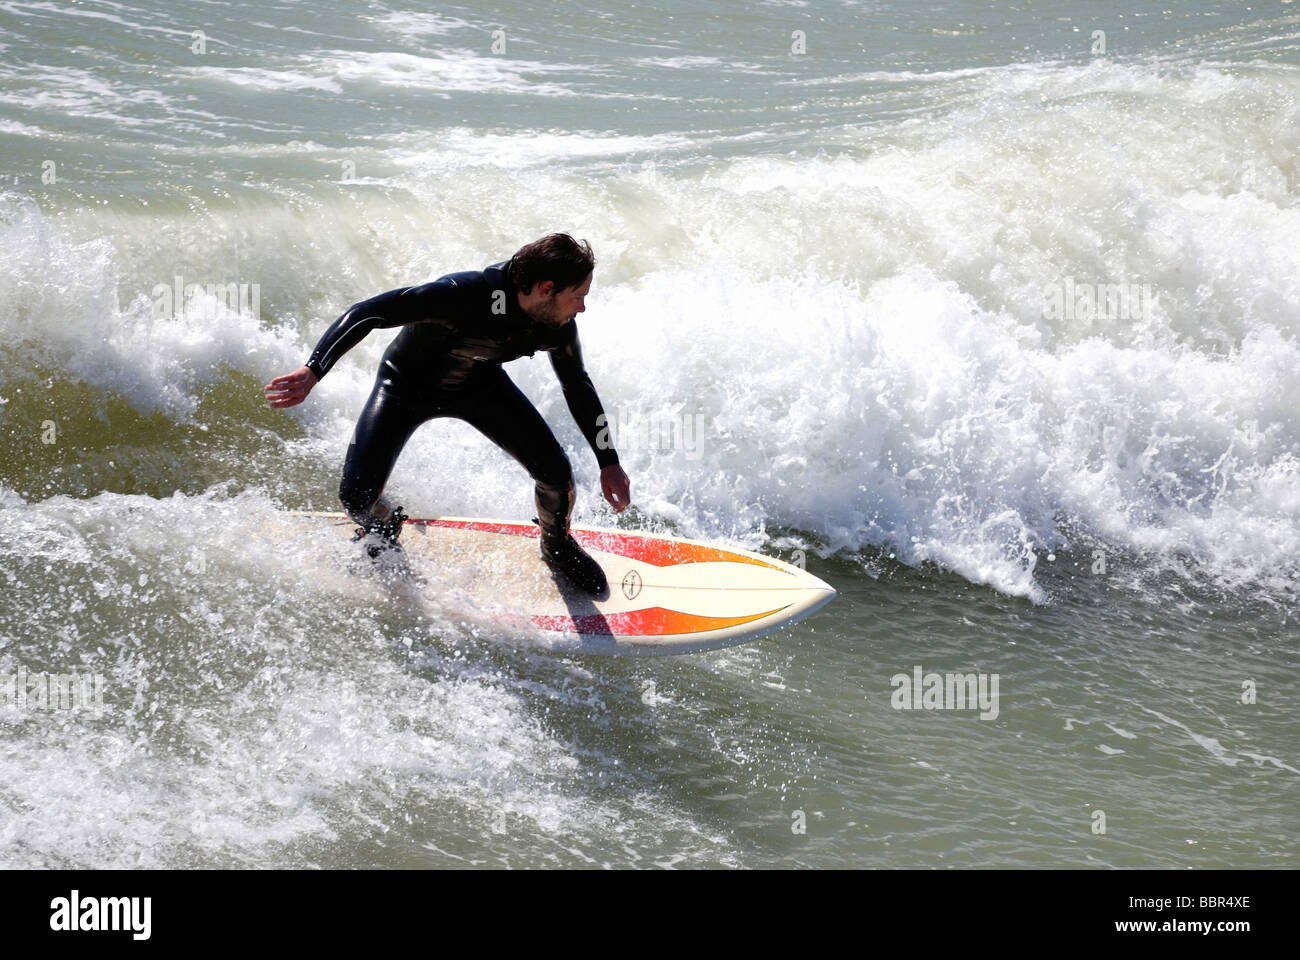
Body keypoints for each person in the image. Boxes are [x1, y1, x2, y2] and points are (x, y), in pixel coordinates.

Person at [264, 233, 630, 596]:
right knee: (356, 498)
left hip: (478, 385)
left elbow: (576, 386)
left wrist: (608, 461)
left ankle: (558, 547)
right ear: (546, 289)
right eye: (578, 296)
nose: (581, 308)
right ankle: (385, 526)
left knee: (556, 477)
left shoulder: (557, 326)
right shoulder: (463, 295)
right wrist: (314, 369)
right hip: (405, 385)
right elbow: (369, 312)